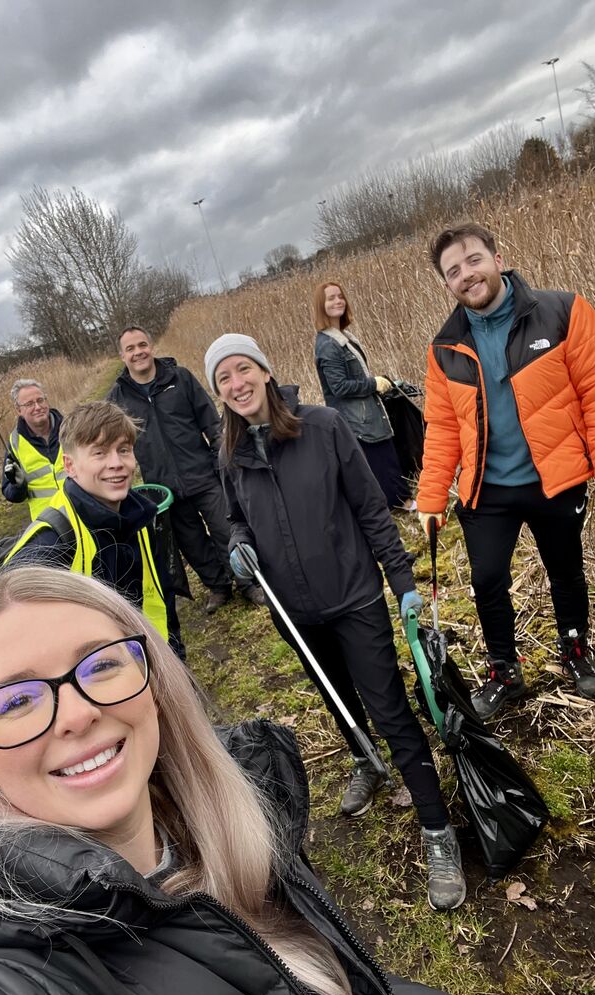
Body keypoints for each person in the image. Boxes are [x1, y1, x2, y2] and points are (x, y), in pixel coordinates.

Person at [0, 566, 532, 995]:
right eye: (16, 702)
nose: (78, 712)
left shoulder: (227, 828)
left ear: (155, 682)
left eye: (101, 665)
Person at [204, 333, 466, 911]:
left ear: (266, 372)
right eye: (223, 379)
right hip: (293, 612)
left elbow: (372, 510)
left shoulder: (322, 427)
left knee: (389, 707)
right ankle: (363, 761)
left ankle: (436, 830)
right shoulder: (230, 454)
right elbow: (236, 520)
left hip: (353, 598)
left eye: (243, 369)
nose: (236, 384)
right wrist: (239, 548)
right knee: (335, 697)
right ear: (218, 392)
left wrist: (402, 585)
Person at [417, 223, 595, 720]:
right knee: (487, 579)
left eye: (473, 260)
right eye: (453, 271)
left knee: (565, 570)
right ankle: (503, 670)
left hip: (554, 478)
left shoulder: (563, 313)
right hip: (487, 488)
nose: (466, 275)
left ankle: (576, 649)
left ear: (497, 256)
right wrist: (430, 497)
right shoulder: (445, 348)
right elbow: (443, 430)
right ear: (447, 284)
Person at [2, 400, 184, 659]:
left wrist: (174, 659)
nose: (116, 463)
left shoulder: (140, 517)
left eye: (124, 450)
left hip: (146, 665)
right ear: (70, 466)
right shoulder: (50, 544)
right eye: (99, 453)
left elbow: (161, 598)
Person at [108, 325, 265, 613]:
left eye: (142, 345)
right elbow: (117, 446)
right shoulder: (117, 398)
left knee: (226, 529)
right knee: (191, 542)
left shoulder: (180, 379)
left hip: (203, 473)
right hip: (164, 487)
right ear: (122, 355)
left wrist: (226, 459)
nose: (138, 352)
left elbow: (210, 421)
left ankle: (248, 583)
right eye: (130, 348)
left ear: (151, 347)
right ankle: (218, 587)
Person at [313, 281, 414, 510]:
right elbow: (338, 387)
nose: (338, 301)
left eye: (340, 296)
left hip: (366, 412)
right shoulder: (328, 345)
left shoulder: (342, 336)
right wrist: (372, 384)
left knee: (384, 455)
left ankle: (397, 500)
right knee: (379, 458)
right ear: (321, 305)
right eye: (330, 298)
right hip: (356, 418)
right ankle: (401, 502)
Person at [1, 378, 65, 519]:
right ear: (19, 410)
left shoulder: (71, 428)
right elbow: (10, 494)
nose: (37, 407)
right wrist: (18, 485)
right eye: (29, 404)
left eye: (40, 400)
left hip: (82, 510)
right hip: (48, 524)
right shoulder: (15, 443)